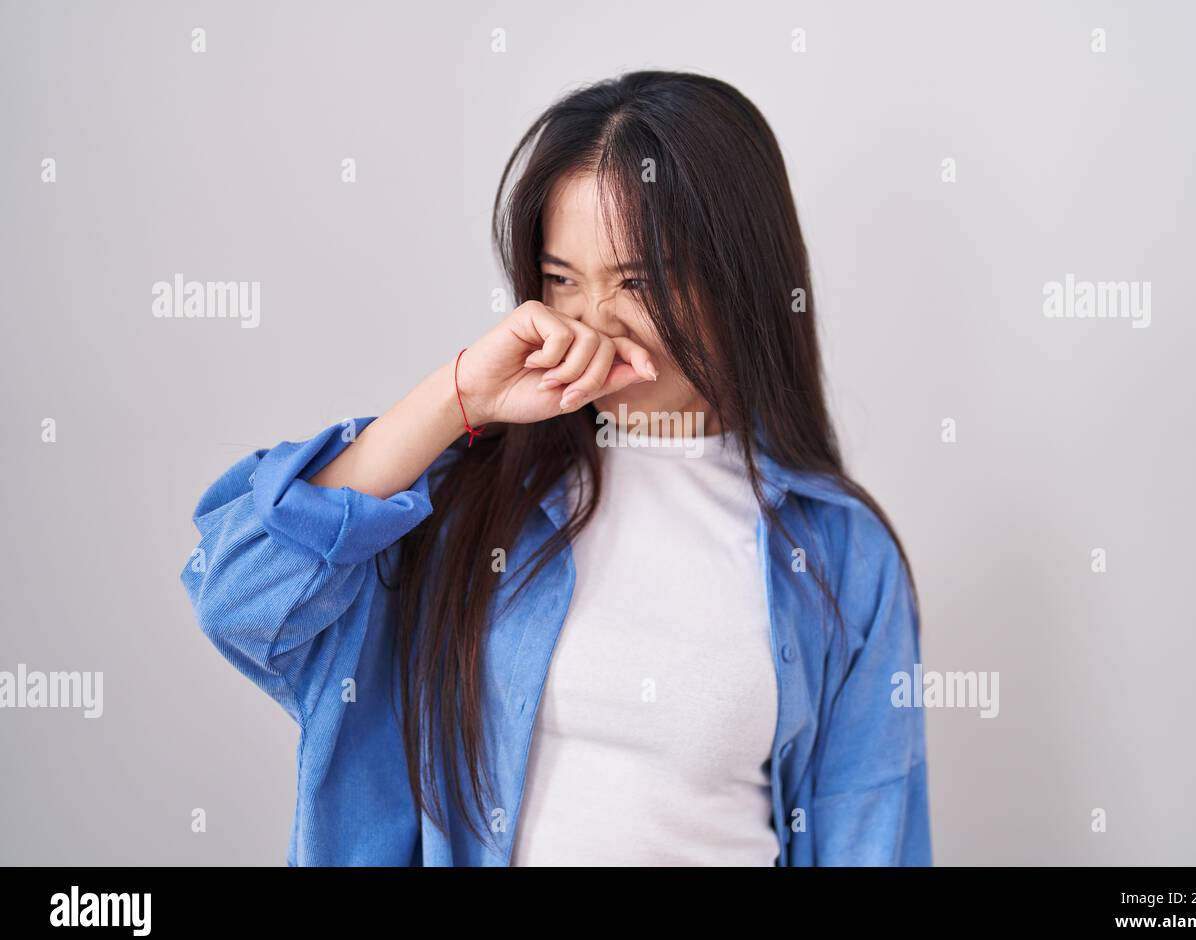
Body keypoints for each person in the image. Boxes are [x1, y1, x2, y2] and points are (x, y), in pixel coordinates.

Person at [181, 70, 932, 866]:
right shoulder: (459, 503)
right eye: (562, 280)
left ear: (738, 275)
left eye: (639, 281)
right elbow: (237, 598)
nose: (592, 325)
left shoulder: (843, 557)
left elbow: (870, 841)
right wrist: (456, 395)